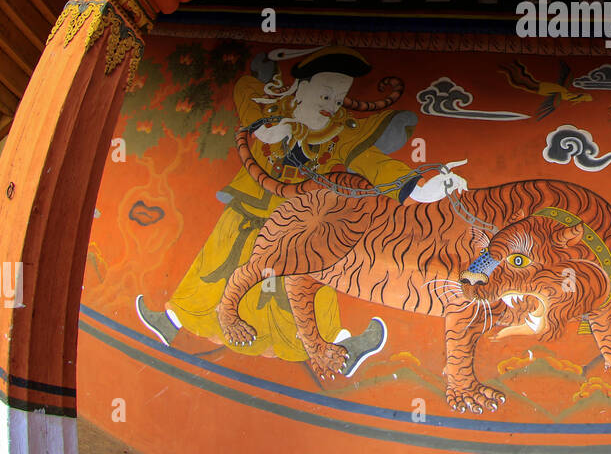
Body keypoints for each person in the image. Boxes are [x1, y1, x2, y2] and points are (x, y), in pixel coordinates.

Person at [137, 46, 465, 378]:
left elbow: (374, 165)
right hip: (248, 212)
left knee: (312, 281)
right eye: (325, 95)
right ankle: (171, 321)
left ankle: (342, 345)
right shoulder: (273, 110)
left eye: (338, 100)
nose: (331, 105)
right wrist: (263, 125)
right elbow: (244, 91)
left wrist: (422, 190)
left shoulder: (342, 134)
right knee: (215, 264)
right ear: (302, 88)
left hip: (299, 229)